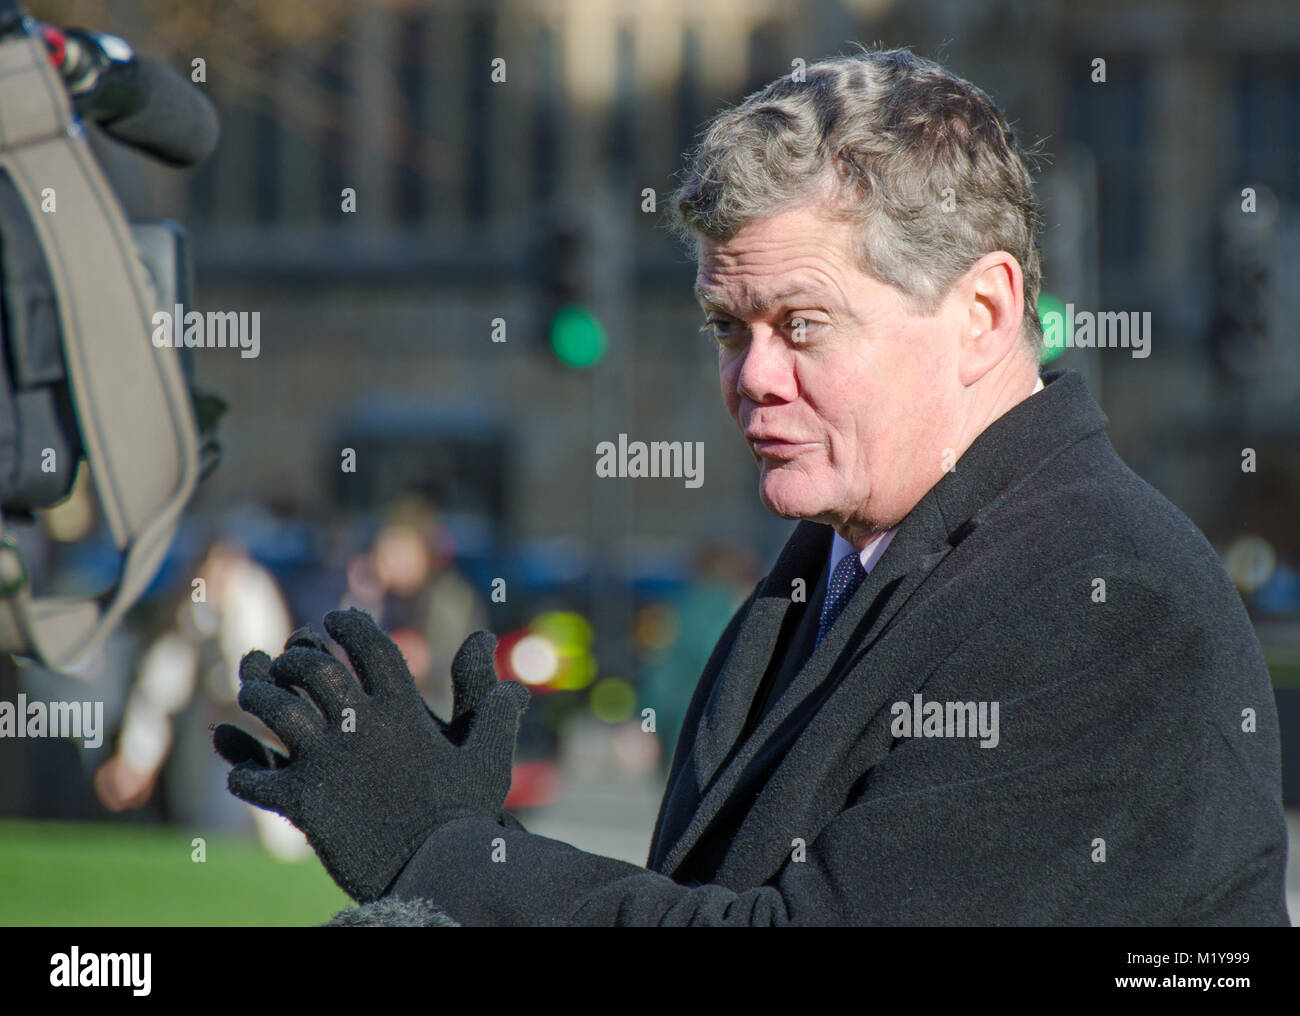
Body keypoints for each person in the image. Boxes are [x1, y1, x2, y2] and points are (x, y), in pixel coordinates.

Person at [214, 47, 1289, 925]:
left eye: (801, 324)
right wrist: (476, 842)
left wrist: (450, 856)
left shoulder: (1104, 596)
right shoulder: (841, 559)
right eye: (728, 328)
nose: (751, 378)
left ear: (982, 312)